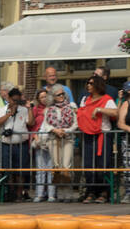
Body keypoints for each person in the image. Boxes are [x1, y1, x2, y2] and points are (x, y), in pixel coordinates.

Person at [77, 74, 118, 203]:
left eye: (91, 83)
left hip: (102, 135)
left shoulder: (107, 99)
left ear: (98, 85)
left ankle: (104, 192)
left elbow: (116, 113)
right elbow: (81, 112)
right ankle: (91, 191)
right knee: (89, 165)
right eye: (88, 83)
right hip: (88, 135)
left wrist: (100, 109)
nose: (88, 85)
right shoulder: (85, 99)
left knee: (103, 164)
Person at [0, 87, 31, 202]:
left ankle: (19, 194)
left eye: (17, 100)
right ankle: (10, 193)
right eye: (13, 100)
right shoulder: (1, 110)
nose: (15, 102)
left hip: (21, 145)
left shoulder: (24, 110)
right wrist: (10, 114)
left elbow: (31, 123)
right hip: (6, 144)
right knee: (7, 170)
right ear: (9, 99)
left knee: (20, 171)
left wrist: (30, 108)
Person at [45, 89, 76, 200]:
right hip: (53, 139)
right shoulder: (49, 109)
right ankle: (60, 192)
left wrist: (65, 130)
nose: (62, 96)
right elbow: (46, 124)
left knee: (66, 166)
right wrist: (55, 130)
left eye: (63, 94)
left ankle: (68, 193)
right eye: (59, 94)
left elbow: (75, 124)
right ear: (53, 97)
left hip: (67, 138)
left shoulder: (70, 107)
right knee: (56, 166)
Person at [31, 90, 56, 203]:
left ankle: (51, 194)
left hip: (51, 139)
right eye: (41, 97)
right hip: (39, 139)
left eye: (46, 96)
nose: (44, 99)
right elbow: (32, 125)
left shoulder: (53, 109)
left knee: (51, 169)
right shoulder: (36, 109)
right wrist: (35, 138)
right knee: (40, 169)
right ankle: (39, 194)